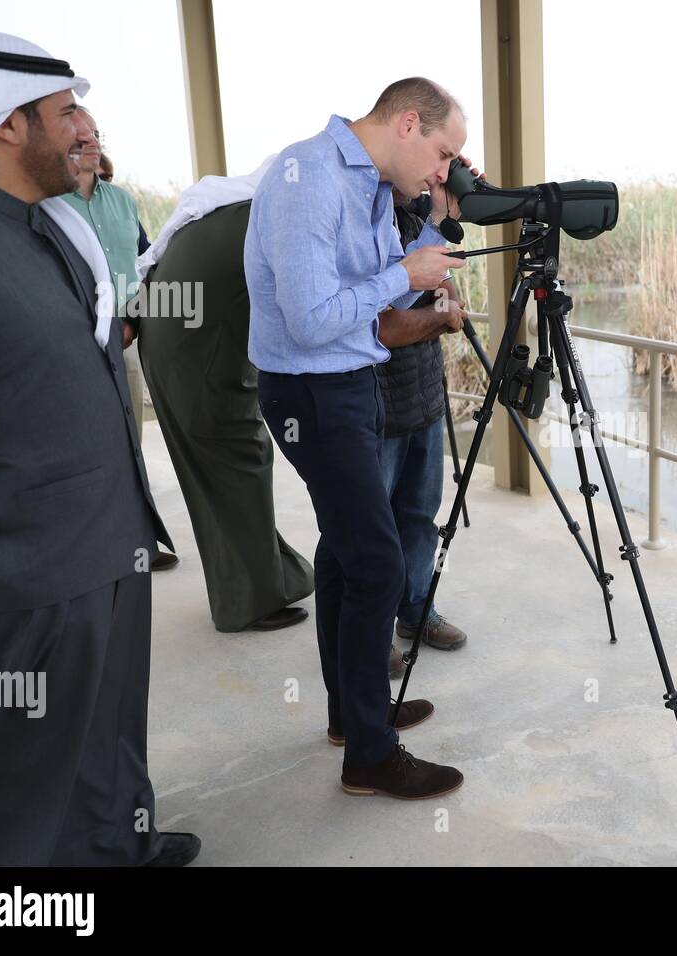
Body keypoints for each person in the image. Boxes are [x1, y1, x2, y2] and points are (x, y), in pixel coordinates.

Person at [0, 29, 197, 866]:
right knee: (15, 769)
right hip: (17, 573)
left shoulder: (48, 225)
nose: (80, 130)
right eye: (63, 114)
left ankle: (114, 845)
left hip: (106, 542)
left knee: (106, 729)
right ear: (7, 125)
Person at [246, 77, 472, 799]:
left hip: (349, 381)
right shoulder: (308, 176)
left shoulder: (375, 188)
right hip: (309, 391)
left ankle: (354, 714)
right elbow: (314, 318)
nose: (444, 169)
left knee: (348, 557)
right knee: (375, 562)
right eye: (444, 154)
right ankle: (369, 757)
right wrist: (403, 270)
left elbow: (387, 297)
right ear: (408, 122)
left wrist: (442, 222)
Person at [136, 160, 315, 632]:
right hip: (197, 358)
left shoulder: (236, 210)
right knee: (239, 458)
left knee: (224, 470)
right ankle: (248, 603)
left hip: (180, 346)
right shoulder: (267, 221)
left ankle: (272, 578)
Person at [61, 107, 178, 570]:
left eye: (96, 133)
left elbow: (147, 261)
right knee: (86, 444)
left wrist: (135, 319)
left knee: (129, 440)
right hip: (75, 341)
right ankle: (98, 547)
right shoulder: (48, 207)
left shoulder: (123, 201)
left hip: (126, 337)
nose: (92, 140)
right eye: (81, 133)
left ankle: (139, 543)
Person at [377, 192, 470, 664]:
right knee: (372, 526)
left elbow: (453, 300)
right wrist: (434, 317)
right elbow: (383, 325)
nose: (436, 173)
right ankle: (372, 636)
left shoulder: (420, 221)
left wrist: (443, 219)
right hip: (378, 404)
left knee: (419, 515)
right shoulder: (365, 218)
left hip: (426, 398)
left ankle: (417, 609)